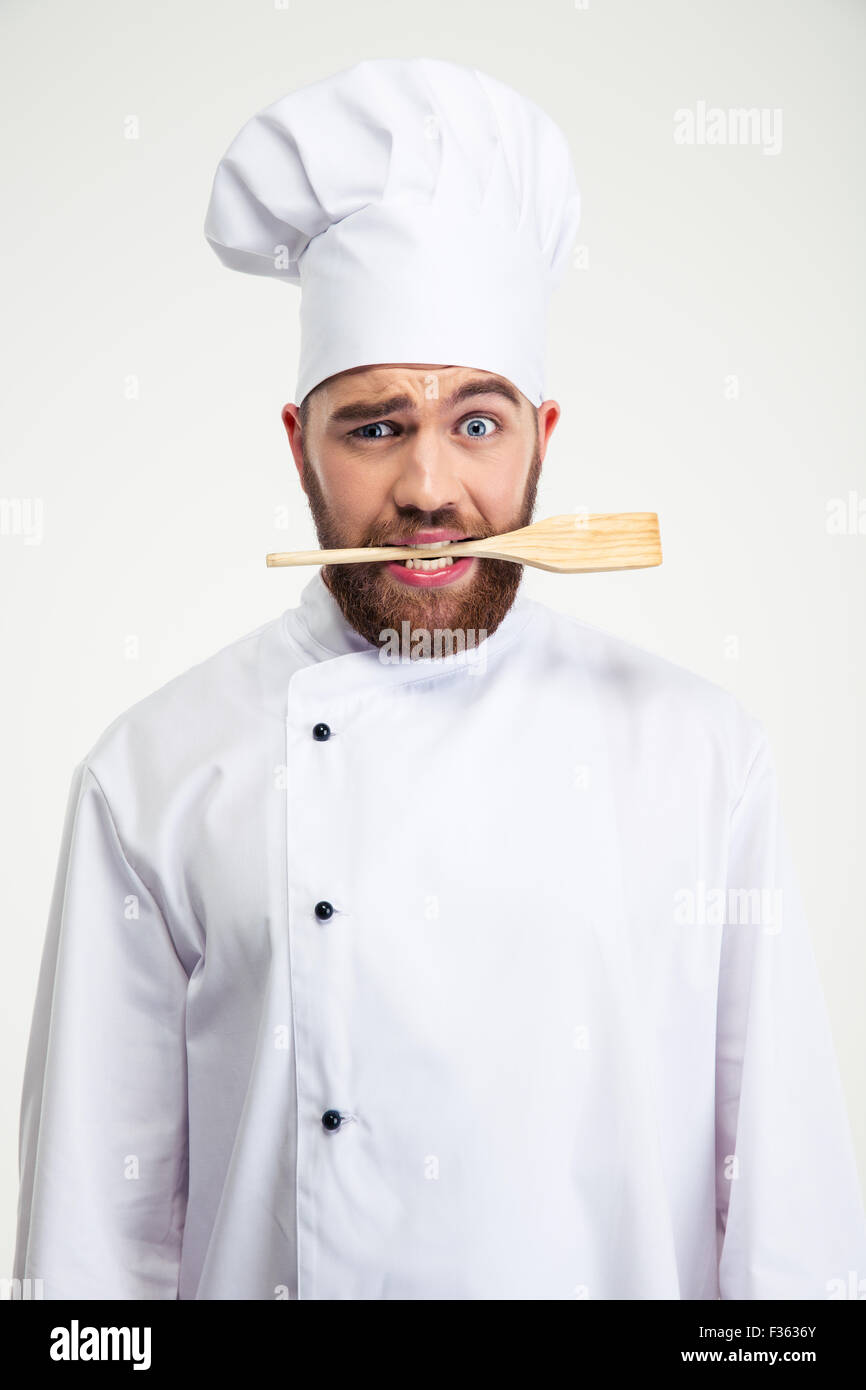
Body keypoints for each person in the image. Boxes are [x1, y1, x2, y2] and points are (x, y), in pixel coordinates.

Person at [13, 57, 866, 1301]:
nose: (426, 492)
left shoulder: (698, 755)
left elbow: (785, 1229)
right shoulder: (151, 775)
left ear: (542, 440)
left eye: (476, 423)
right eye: (373, 425)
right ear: (298, 444)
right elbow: (93, 1249)